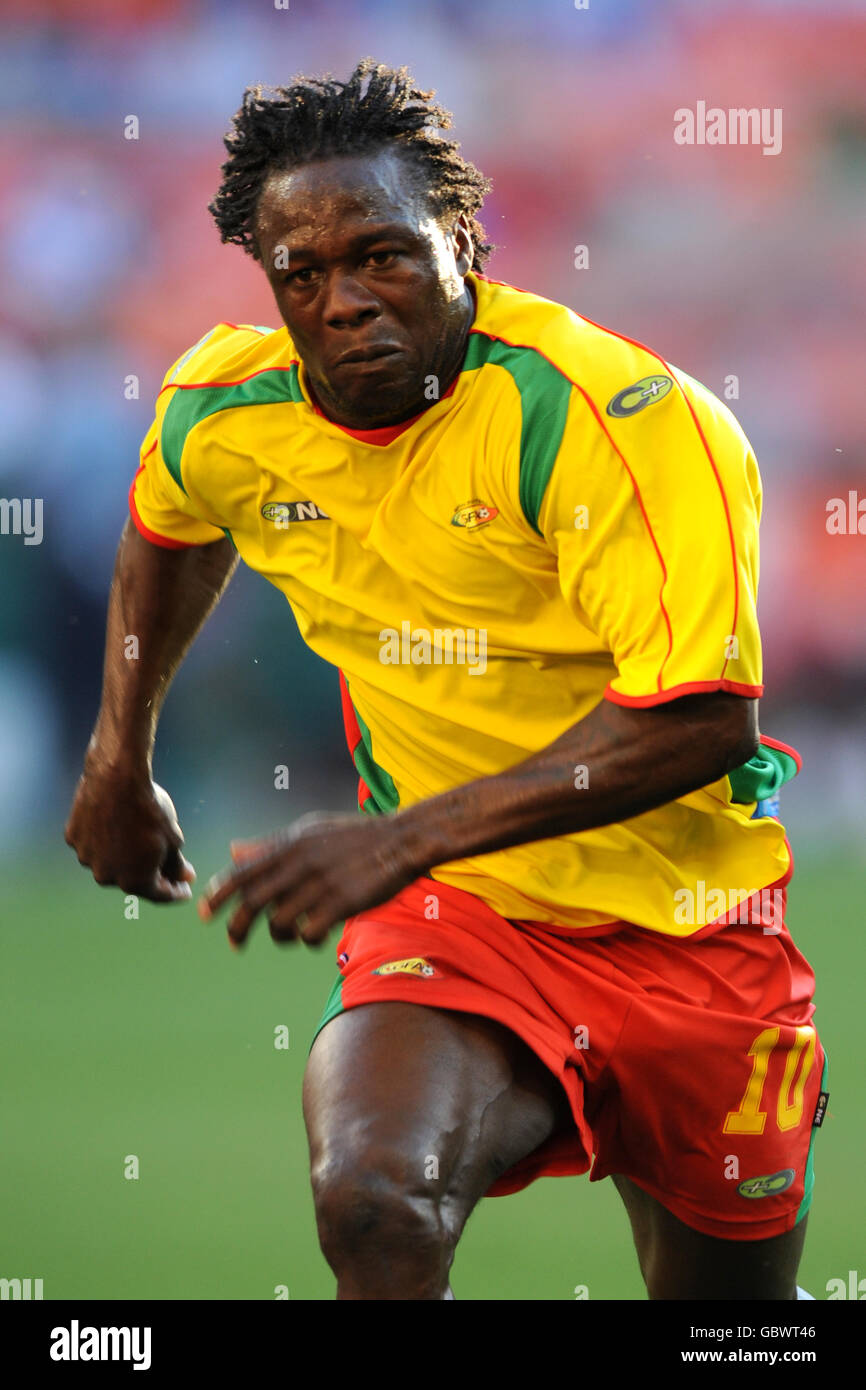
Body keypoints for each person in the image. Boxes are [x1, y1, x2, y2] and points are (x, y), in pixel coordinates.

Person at [65, 59, 826, 1300]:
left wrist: (396, 837)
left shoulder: (617, 418)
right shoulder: (224, 409)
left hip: (692, 936)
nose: (345, 301)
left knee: (733, 1322)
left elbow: (696, 721)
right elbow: (170, 529)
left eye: (381, 255)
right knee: (372, 1194)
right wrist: (117, 757)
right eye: (300, 274)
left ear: (463, 237)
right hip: (456, 914)